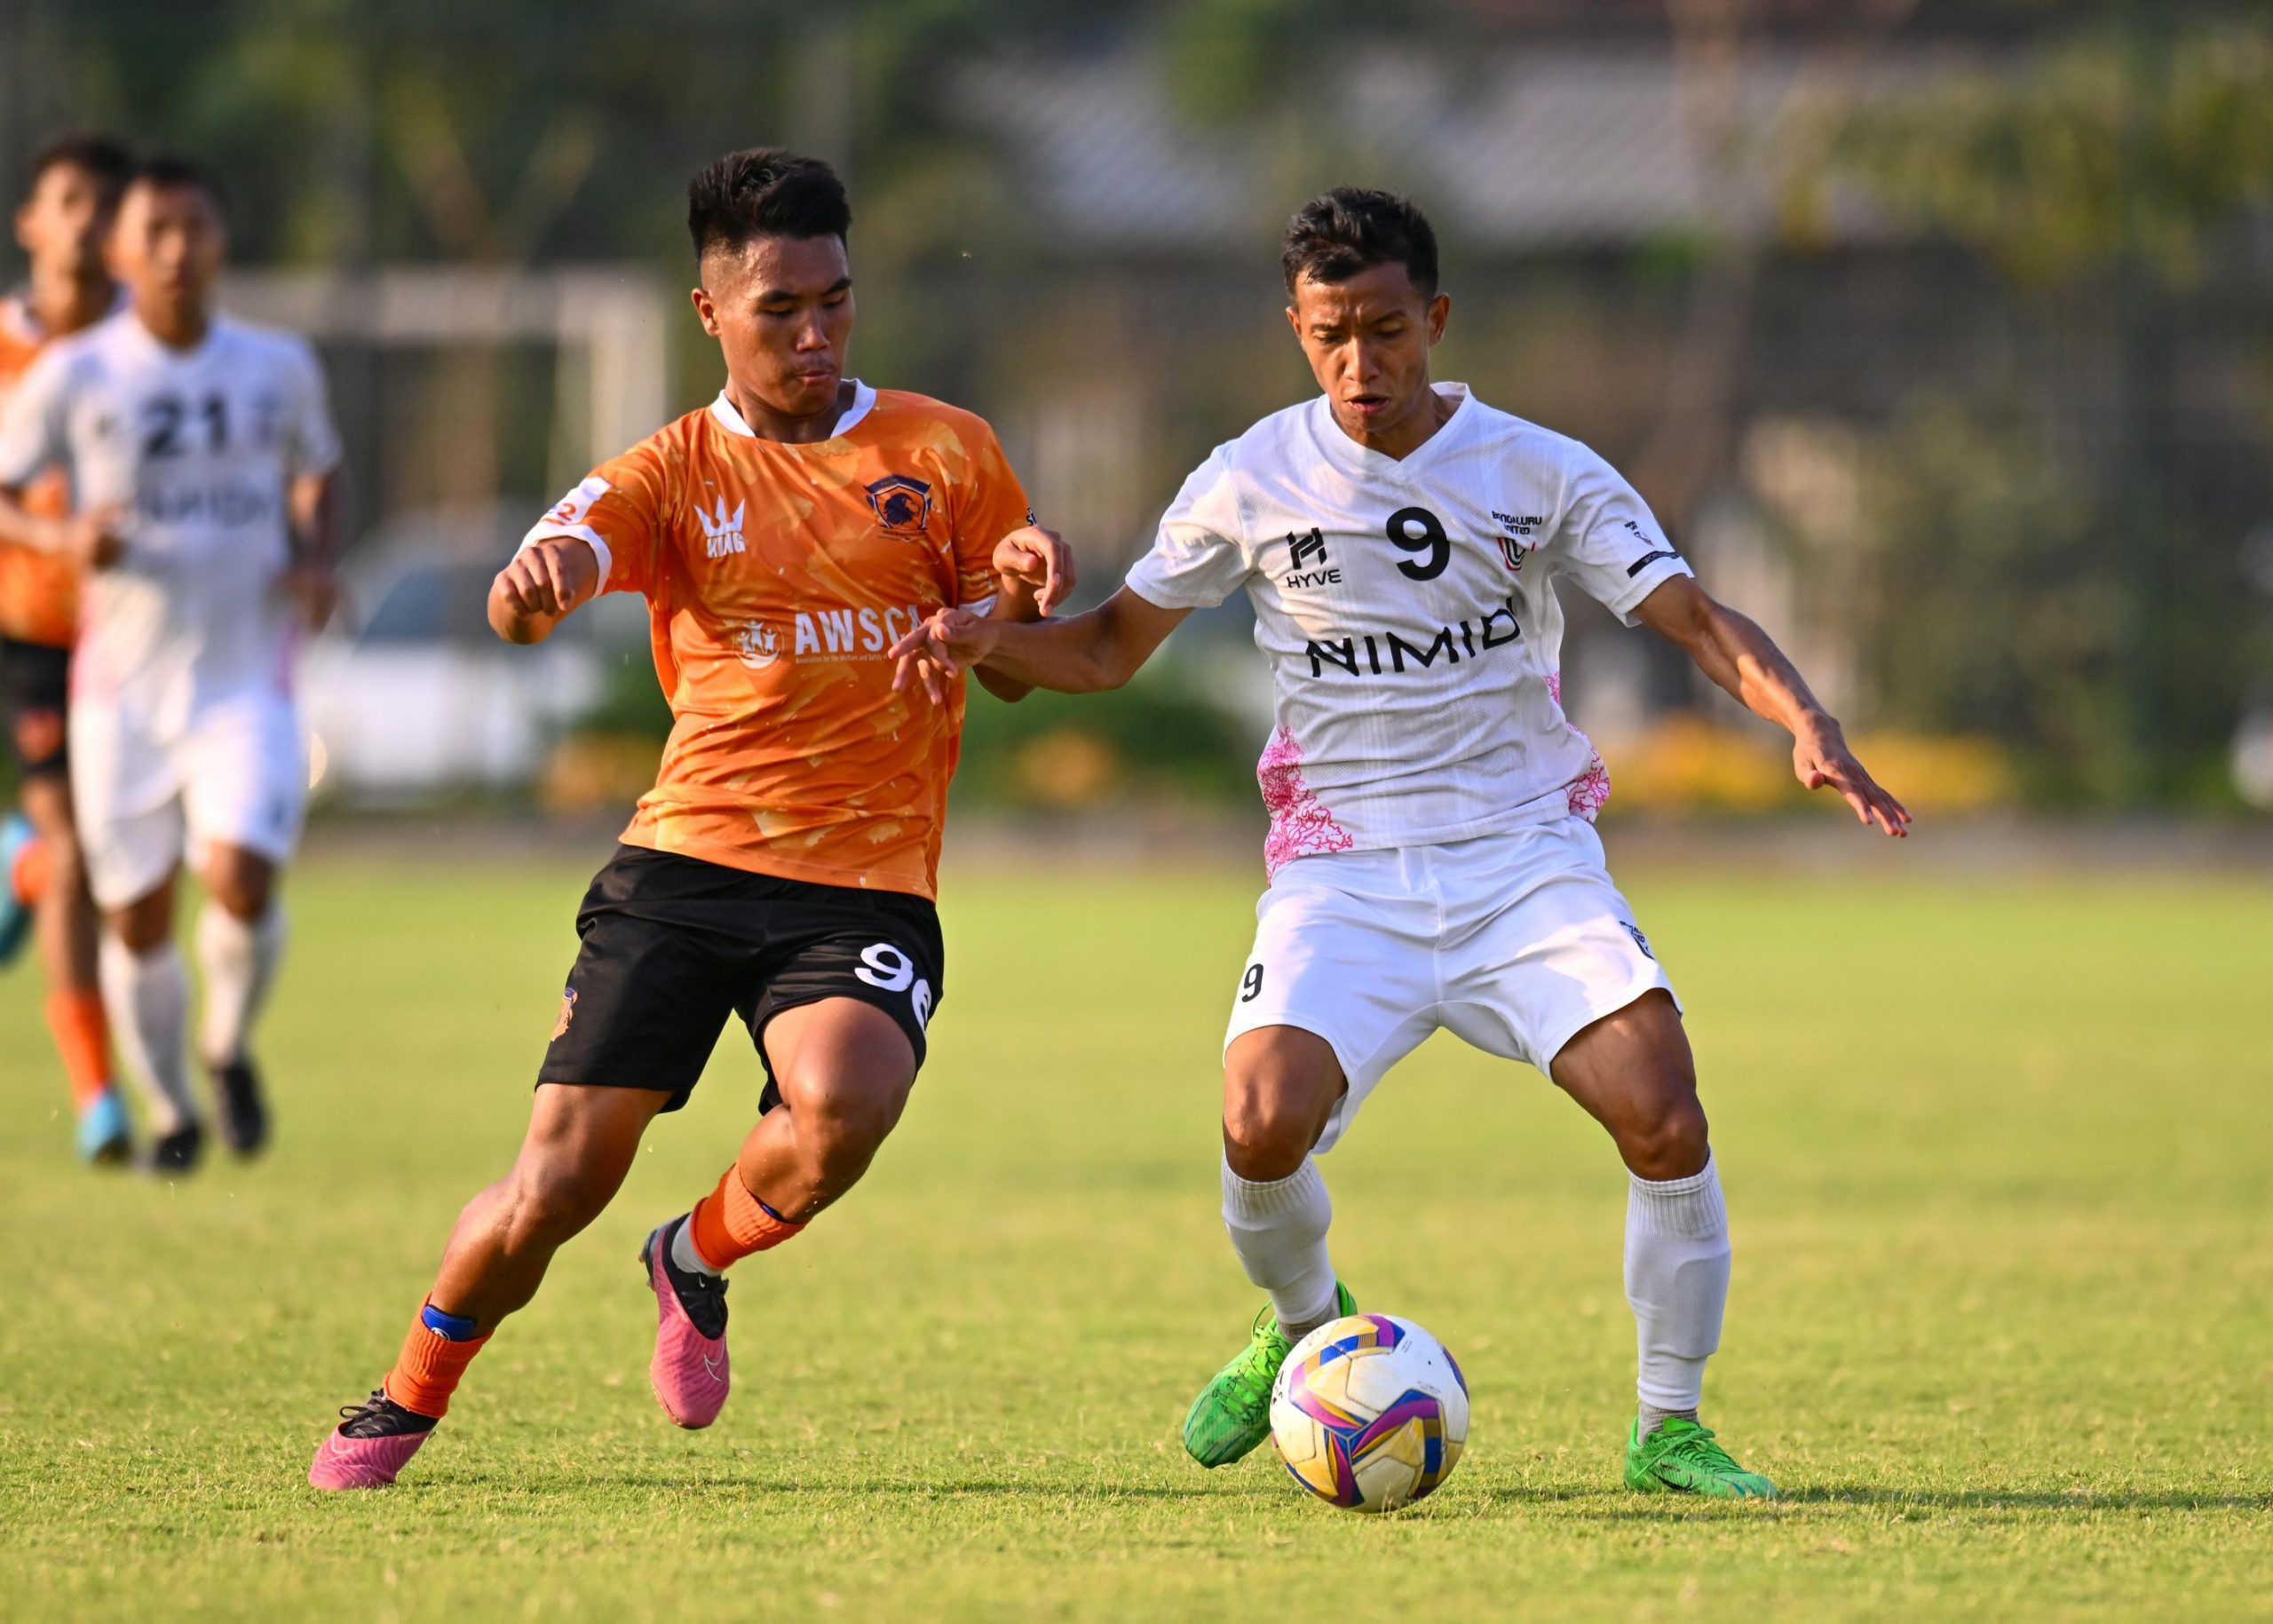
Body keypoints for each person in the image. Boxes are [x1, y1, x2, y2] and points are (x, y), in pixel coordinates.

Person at [892, 188, 1912, 1500]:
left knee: (1663, 1111)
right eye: (1331, 336)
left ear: (1435, 318)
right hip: (1343, 874)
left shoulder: (1538, 470)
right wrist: (992, 642)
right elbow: (1100, 649)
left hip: (1522, 861)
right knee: (1259, 1122)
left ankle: (1669, 1427)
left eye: (1386, 329)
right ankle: (1306, 1321)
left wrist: (1808, 721)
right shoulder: (1249, 477)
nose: (1361, 363)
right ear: (1296, 331)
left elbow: (1697, 619)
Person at [307, 147, 1072, 1491]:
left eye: (836, 298)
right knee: (555, 1185)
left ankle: (696, 1254)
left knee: (842, 1111)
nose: (818, 331)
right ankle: (406, 1392)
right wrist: (534, 584)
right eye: (781, 307)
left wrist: (1003, 606)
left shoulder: (947, 451)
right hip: (683, 867)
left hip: (865, 879)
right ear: (710, 313)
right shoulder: (667, 473)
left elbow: (1012, 658)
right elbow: (535, 582)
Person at [0, 154, 344, 1174]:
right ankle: (165, 1109)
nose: (175, 250)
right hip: (122, 693)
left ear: (221, 241)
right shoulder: (77, 373)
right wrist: (60, 542)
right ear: (122, 251)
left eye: (194, 228)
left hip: (246, 678)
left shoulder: (277, 366)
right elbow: (6, 488)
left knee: (238, 874)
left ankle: (226, 1044)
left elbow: (319, 469)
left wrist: (317, 559)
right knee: (138, 914)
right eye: (154, 233)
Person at [0, 133, 134, 1164]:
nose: (88, 222)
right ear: (32, 225)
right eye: (70, 201)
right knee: (87, 853)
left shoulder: (157, 351)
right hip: (34, 636)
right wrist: (57, 537)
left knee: (138, 855)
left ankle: (23, 866)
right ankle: (96, 1093)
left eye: (107, 204)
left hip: (144, 645)